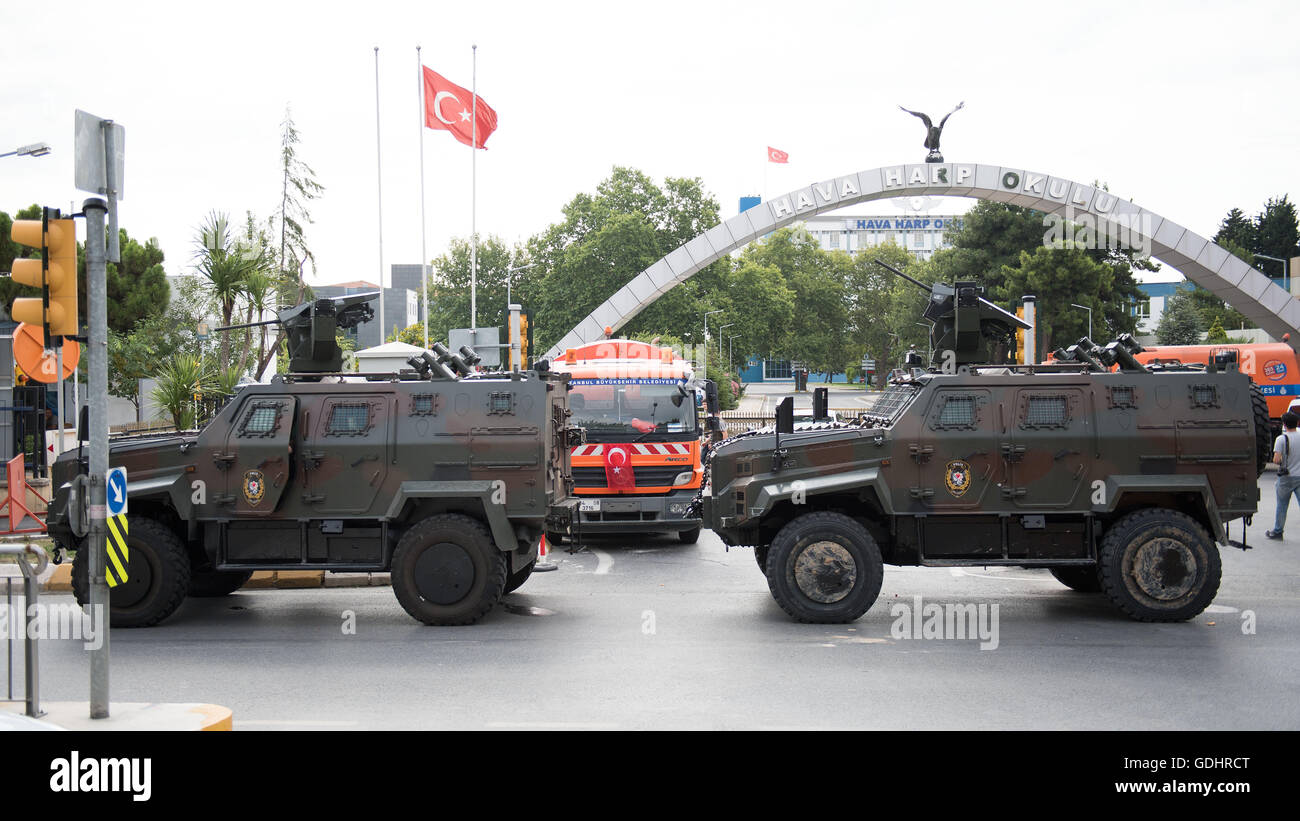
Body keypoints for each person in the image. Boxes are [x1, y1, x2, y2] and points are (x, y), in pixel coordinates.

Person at [1265, 411, 1300, 539]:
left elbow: (1276, 460)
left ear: (1284, 424)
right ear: (1297, 423)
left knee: (1282, 506)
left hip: (1286, 478)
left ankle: (1278, 532)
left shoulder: (1281, 439)